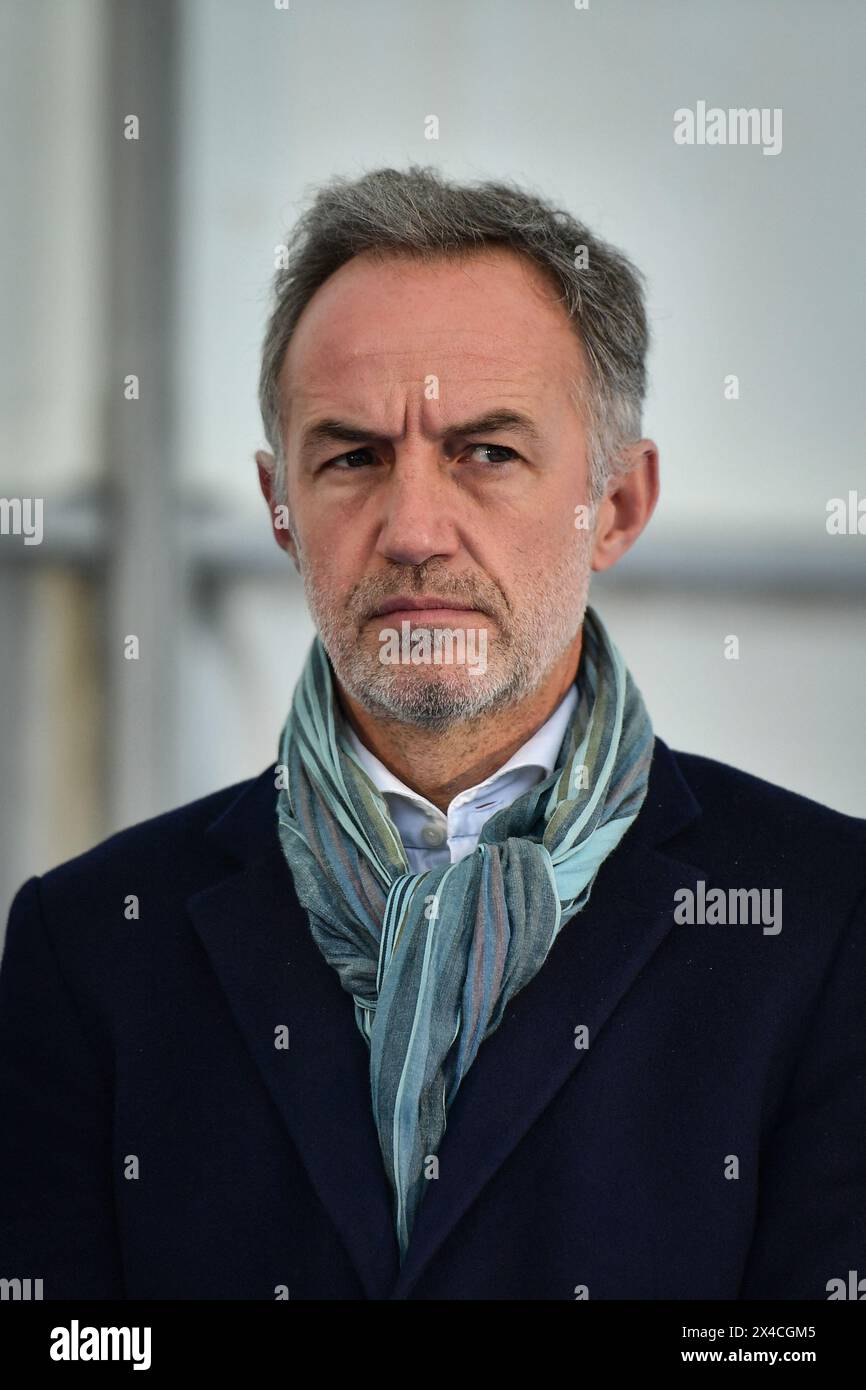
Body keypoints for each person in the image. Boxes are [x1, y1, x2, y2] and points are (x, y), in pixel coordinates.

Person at [1, 166, 864, 1301]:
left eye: (486, 452)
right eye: (352, 456)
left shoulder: (825, 919)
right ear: (277, 506)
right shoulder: (92, 943)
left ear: (615, 505)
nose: (411, 528)